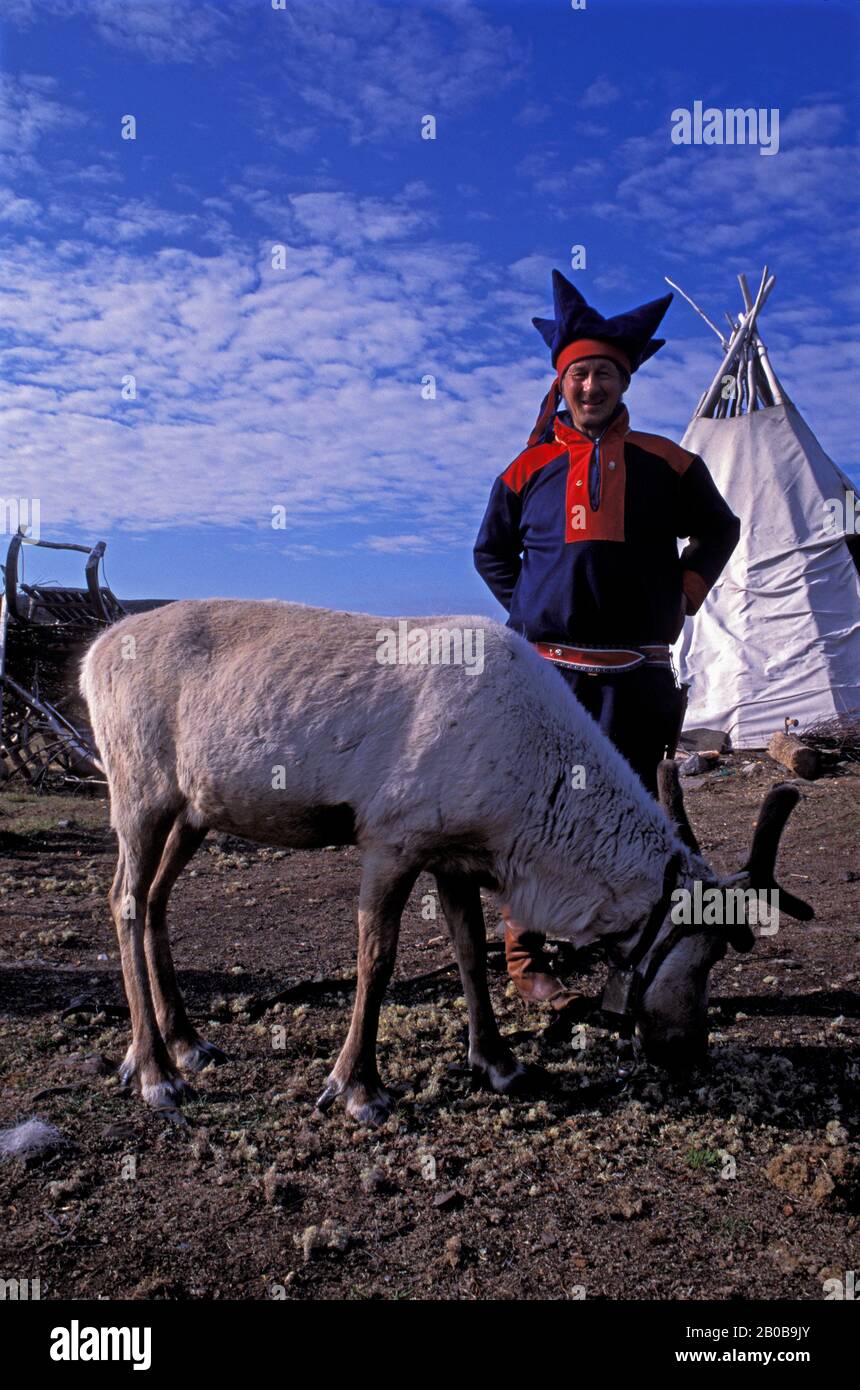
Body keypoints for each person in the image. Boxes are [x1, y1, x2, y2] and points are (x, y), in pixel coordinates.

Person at [474, 270, 740, 1007]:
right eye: (579, 375)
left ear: (623, 383)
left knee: (629, 814)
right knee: (537, 810)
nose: (591, 387)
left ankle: (628, 940)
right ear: (562, 383)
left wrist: (687, 590)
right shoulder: (526, 469)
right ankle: (529, 959)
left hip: (635, 676)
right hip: (546, 679)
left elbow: (722, 529)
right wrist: (530, 606)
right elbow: (490, 552)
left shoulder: (669, 463)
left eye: (604, 375)